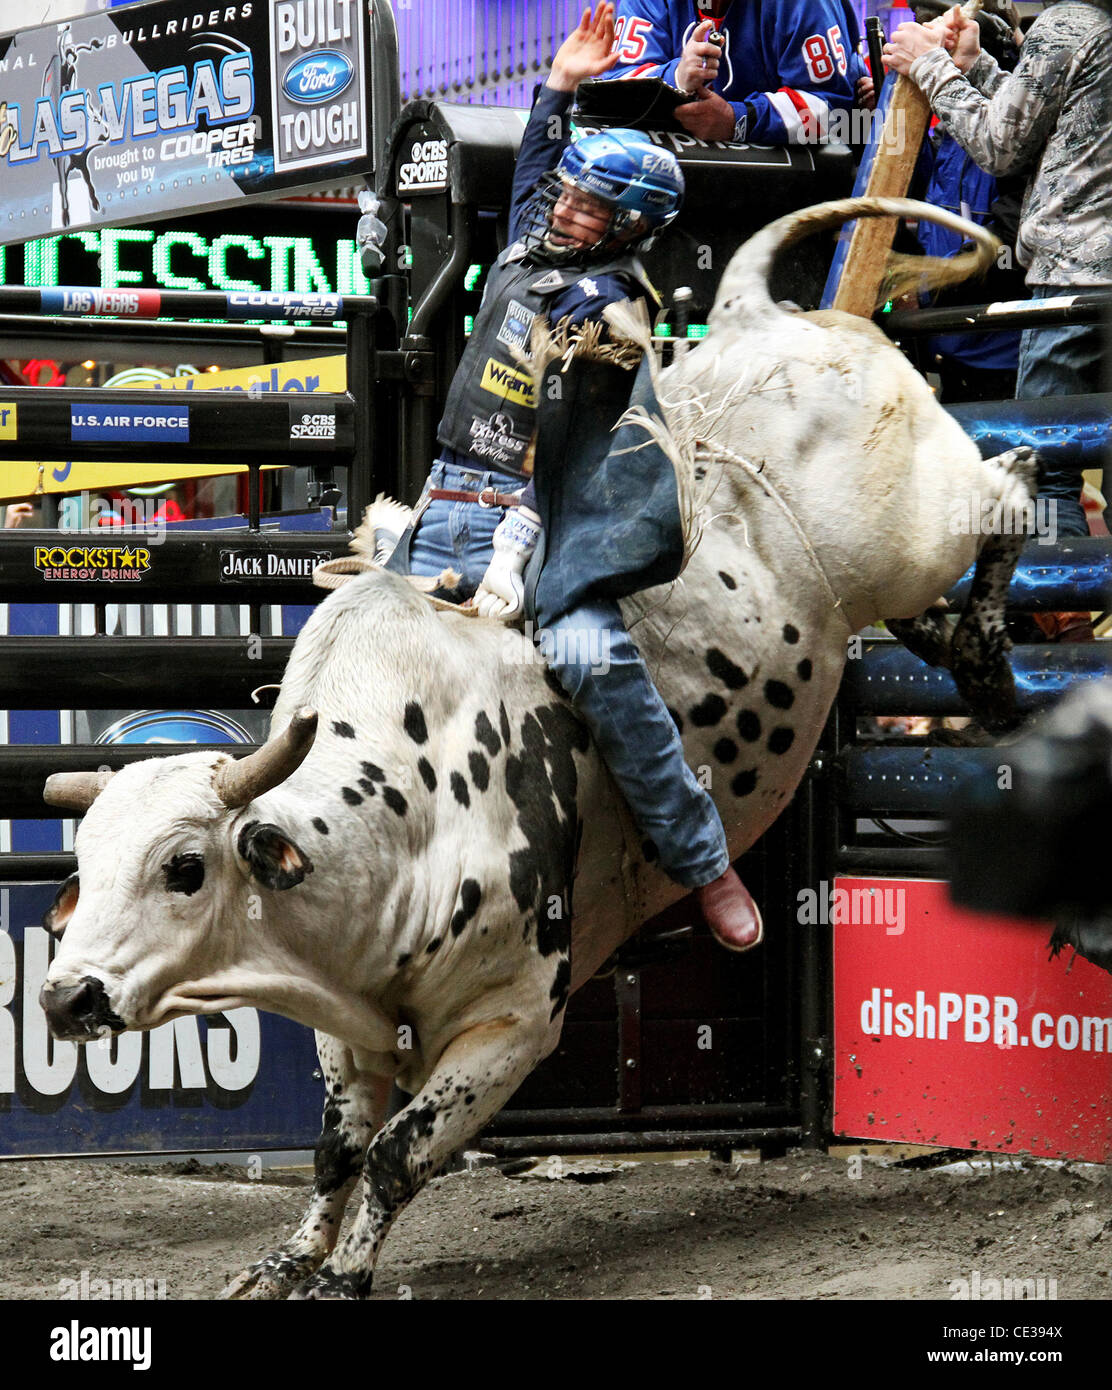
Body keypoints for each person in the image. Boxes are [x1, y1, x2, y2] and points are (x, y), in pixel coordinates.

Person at [364, 4, 761, 950]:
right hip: (442, 505)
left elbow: (568, 453)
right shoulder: (530, 246)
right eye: (567, 193)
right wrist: (560, 87)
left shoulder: (609, 311)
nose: (561, 204)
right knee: (354, 645)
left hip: (526, 525)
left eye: (584, 201)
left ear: (621, 228)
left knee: (593, 660)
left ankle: (703, 864)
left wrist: (519, 552)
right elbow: (542, 166)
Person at [884, 1, 1112, 536]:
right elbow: (1062, 119)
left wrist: (928, 66)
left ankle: (1055, 615)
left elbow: (1001, 146)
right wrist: (977, 67)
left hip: (1076, 282)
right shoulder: (1084, 30)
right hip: (1083, 278)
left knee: (1043, 476)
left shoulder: (1072, 22)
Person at [602, 0, 866, 144]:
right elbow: (611, 90)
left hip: (783, 190)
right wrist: (676, 77)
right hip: (670, 177)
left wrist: (738, 120)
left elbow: (832, 109)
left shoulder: (806, 5)